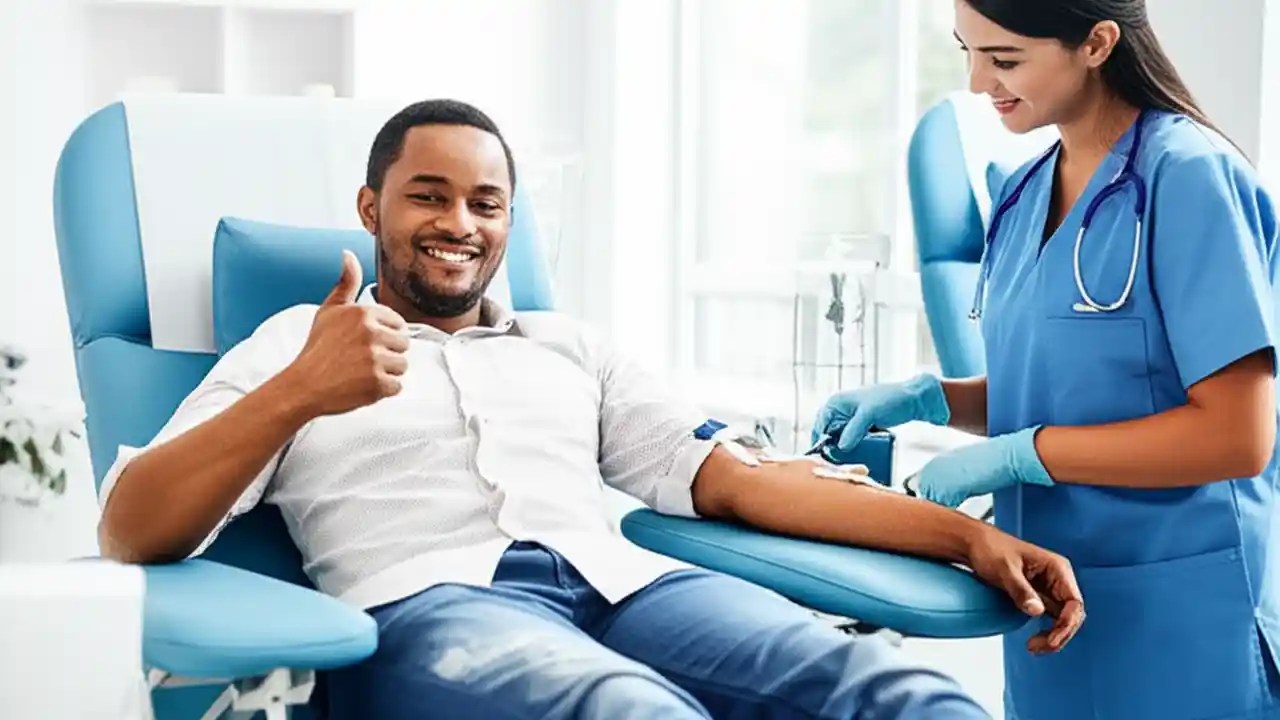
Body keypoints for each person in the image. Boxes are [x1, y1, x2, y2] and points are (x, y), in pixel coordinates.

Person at [97, 99, 1083, 720]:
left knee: (894, 694)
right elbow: (131, 525)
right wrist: (300, 392)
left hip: (628, 586)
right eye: (426, 197)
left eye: (485, 204)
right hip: (428, 610)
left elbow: (734, 484)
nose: (458, 224)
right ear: (370, 209)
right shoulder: (296, 344)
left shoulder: (570, 347)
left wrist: (957, 536)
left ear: (509, 224)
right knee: (623, 711)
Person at [814, 2, 1279, 719]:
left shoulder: (1189, 179)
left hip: (1180, 610)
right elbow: (1071, 385)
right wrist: (933, 399)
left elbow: (1237, 436)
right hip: (1048, 603)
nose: (977, 83)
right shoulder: (1028, 187)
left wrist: (1016, 456)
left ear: (1097, 44)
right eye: (967, 52)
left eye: (1005, 60)